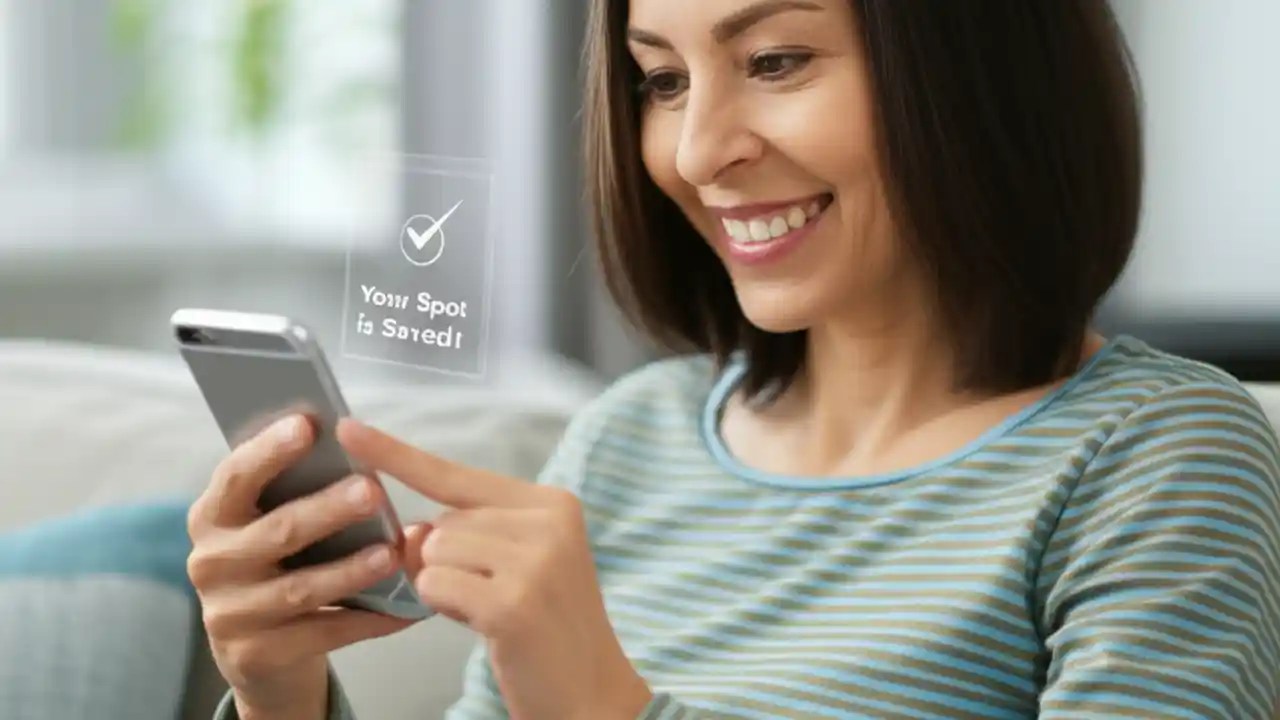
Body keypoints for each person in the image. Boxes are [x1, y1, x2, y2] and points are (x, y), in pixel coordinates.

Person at [190, 1, 1280, 718]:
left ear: (978, 68)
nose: (699, 150)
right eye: (661, 81)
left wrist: (612, 710)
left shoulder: (1158, 456)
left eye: (774, 61)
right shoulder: (629, 438)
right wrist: (283, 696)